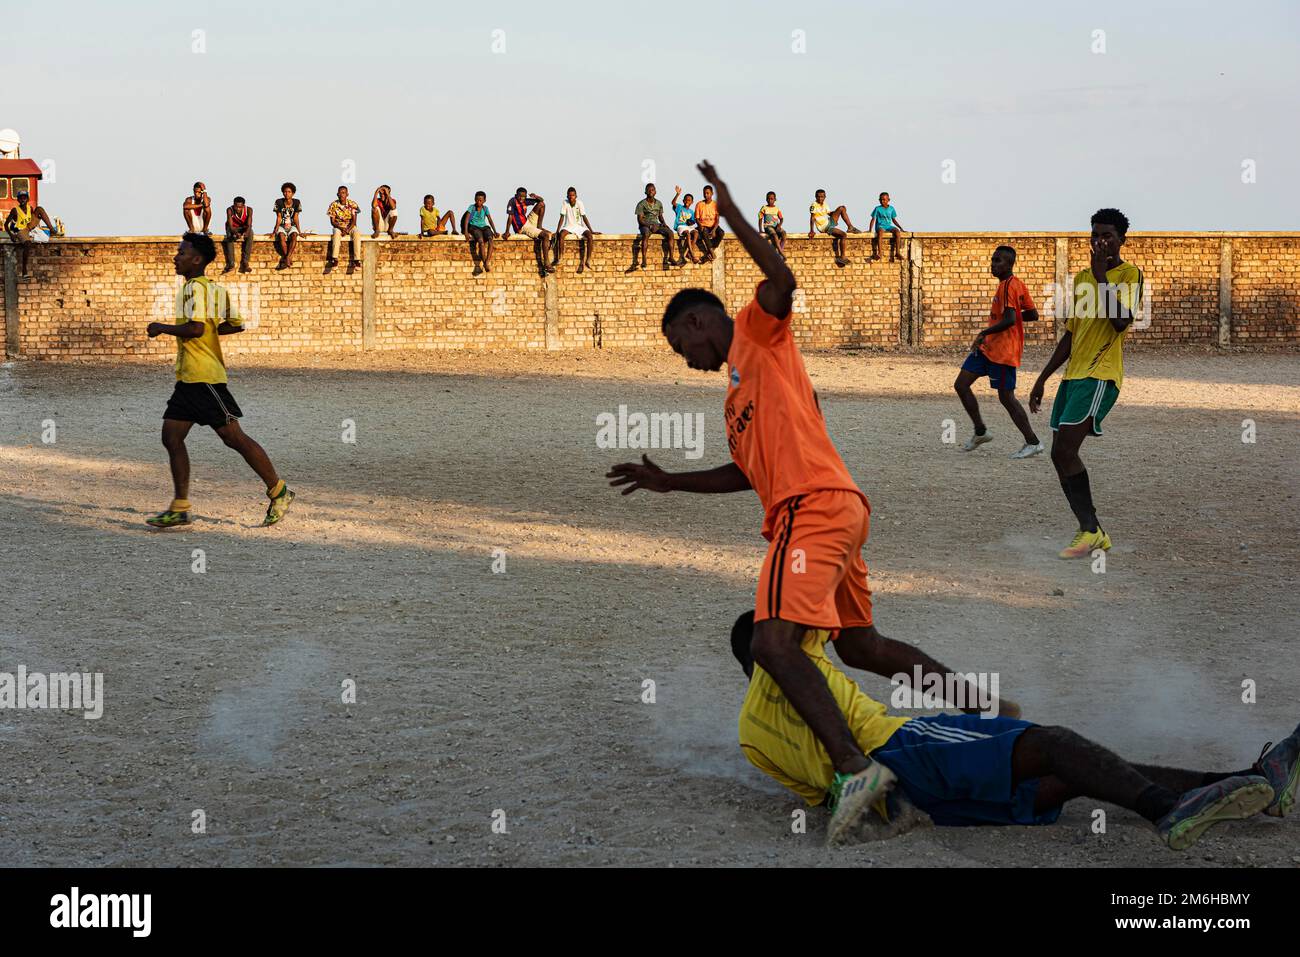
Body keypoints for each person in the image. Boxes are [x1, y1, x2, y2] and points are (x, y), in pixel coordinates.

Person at [608, 158, 943, 844]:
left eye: (683, 345)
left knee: (770, 641)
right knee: (860, 645)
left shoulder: (759, 330)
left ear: (702, 320)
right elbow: (745, 472)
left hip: (811, 510)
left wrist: (728, 209)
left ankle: (855, 767)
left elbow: (785, 279)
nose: (686, 358)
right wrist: (671, 481)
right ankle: (982, 705)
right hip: (840, 507)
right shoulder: (737, 393)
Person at [728, 610, 1299, 849]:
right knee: (1055, 743)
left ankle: (1240, 782)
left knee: (1075, 774)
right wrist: (979, 701)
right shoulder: (793, 646)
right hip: (906, 747)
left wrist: (892, 810)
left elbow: (825, 798)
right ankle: (1164, 809)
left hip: (918, 798)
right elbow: (884, 653)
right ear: (770, 643)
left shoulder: (750, 734)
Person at [144, 233, 295, 529]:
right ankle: (181, 507)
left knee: (233, 438)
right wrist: (208, 331)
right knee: (171, 437)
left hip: (204, 377)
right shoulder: (215, 289)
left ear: (196, 259)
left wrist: (161, 327)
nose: (176, 256)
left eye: (181, 252)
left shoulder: (194, 291)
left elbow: (197, 328)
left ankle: (279, 491)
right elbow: (234, 325)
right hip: (188, 378)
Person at [1028, 208, 1143, 559]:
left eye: (1107, 235)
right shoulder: (1080, 279)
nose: (1100, 241)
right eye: (1095, 235)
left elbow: (1122, 322)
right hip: (1073, 376)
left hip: (1101, 374)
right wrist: (1043, 377)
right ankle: (1090, 530)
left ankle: (1092, 530)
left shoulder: (1129, 275)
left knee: (1066, 450)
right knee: (1057, 453)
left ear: (1122, 239)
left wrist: (1102, 278)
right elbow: (1071, 334)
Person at [954, 245, 1043, 458]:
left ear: (1009, 264)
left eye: (998, 261)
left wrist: (984, 331)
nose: (993, 265)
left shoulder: (1008, 287)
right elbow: (1032, 314)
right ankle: (980, 431)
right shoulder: (1016, 285)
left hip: (1003, 351)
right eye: (993, 260)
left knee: (1006, 397)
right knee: (961, 384)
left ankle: (1033, 442)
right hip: (988, 349)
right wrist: (1006, 322)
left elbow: (1012, 319)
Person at [3, 190, 56, 278]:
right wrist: (11, 235)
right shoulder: (15, 210)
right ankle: (24, 271)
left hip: (29, 227)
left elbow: (32, 218)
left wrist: (36, 226)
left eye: (25, 197)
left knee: (39, 209)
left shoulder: (29, 208)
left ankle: (52, 230)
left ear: (27, 199)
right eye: (21, 198)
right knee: (27, 244)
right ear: (18, 200)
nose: (23, 199)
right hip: (21, 230)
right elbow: (5, 225)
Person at [501, 187, 554, 276]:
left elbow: (541, 200)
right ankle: (546, 263)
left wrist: (535, 196)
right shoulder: (513, 201)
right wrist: (507, 231)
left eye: (524, 197)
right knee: (545, 236)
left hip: (528, 221)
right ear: (516, 195)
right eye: (520, 196)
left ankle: (539, 226)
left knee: (541, 204)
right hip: (523, 227)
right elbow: (510, 217)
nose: (522, 198)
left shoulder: (524, 200)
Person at [633, 183, 681, 270]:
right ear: (646, 192)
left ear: (655, 192)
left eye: (653, 190)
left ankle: (671, 257)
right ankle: (644, 259)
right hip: (645, 225)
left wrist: (664, 223)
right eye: (649, 190)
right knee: (646, 234)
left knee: (670, 233)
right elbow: (640, 220)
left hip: (656, 224)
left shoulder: (659, 203)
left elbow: (660, 217)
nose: (651, 191)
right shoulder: (641, 204)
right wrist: (650, 226)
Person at [808, 189, 860, 267]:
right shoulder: (814, 205)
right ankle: (842, 257)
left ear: (825, 197)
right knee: (843, 235)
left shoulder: (825, 204)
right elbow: (812, 218)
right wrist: (812, 230)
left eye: (822, 197)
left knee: (842, 208)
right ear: (815, 197)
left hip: (829, 222)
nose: (820, 198)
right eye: (818, 197)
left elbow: (829, 213)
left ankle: (850, 227)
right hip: (824, 227)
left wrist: (838, 212)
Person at [552, 186, 597, 273]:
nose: (571, 197)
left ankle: (588, 260)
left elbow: (584, 217)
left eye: (572, 195)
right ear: (567, 196)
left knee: (590, 236)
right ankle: (560, 257)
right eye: (569, 196)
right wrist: (557, 230)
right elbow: (562, 217)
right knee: (561, 235)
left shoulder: (580, 203)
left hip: (579, 226)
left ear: (576, 196)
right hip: (568, 226)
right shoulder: (565, 203)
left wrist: (591, 230)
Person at [460, 191, 499, 276]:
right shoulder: (471, 207)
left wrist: (495, 231)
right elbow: (466, 220)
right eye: (477, 200)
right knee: (481, 241)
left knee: (490, 240)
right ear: (475, 199)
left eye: (481, 200)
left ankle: (487, 261)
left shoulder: (485, 208)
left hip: (484, 227)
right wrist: (466, 232)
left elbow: (490, 220)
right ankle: (485, 263)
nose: (478, 202)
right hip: (474, 227)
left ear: (484, 201)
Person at [327, 186, 362, 269]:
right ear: (337, 194)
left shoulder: (352, 204)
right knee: (336, 234)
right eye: (340, 193)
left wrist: (347, 230)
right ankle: (334, 259)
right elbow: (332, 222)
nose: (341, 195)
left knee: (357, 233)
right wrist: (341, 228)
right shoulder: (333, 205)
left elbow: (354, 221)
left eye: (343, 193)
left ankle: (357, 260)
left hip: (350, 226)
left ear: (347, 194)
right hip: (338, 226)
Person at [271, 182, 302, 269]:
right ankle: (287, 257)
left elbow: (296, 218)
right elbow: (279, 217)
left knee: (294, 236)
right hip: (282, 225)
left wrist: (300, 231)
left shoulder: (296, 202)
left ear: (293, 193)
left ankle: (287, 257)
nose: (287, 194)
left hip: (292, 225)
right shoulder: (279, 202)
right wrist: (274, 231)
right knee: (281, 236)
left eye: (289, 192)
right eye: (285, 192)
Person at [221, 196, 255, 274]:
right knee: (229, 237)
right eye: (236, 206)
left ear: (243, 206)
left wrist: (246, 232)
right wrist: (236, 234)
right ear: (234, 205)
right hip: (233, 228)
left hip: (244, 227)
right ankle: (231, 264)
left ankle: (245, 262)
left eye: (240, 207)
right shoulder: (230, 210)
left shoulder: (249, 210)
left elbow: (249, 224)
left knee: (251, 233)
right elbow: (230, 225)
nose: (238, 209)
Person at [869, 192, 904, 262]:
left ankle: (897, 252)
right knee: (880, 233)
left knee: (897, 232)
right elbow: (873, 219)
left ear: (888, 200)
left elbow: (894, 220)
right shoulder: (877, 208)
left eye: (884, 200)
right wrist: (870, 230)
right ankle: (880, 252)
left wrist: (901, 228)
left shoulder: (891, 208)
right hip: (880, 226)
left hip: (888, 226)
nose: (882, 201)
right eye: (881, 200)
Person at [694, 184, 725, 262]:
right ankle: (712, 254)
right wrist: (700, 226)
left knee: (721, 233)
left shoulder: (715, 204)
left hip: (713, 225)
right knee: (704, 232)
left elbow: (717, 219)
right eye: (704, 193)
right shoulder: (699, 204)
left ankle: (709, 253)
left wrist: (714, 230)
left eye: (708, 193)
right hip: (703, 225)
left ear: (712, 194)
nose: (706, 195)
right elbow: (697, 218)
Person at [671, 186, 701, 264]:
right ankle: (692, 255)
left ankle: (688, 253)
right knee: (687, 233)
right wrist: (677, 194)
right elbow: (673, 203)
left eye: (689, 200)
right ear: (683, 201)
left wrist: (691, 222)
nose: (687, 201)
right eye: (686, 200)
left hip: (688, 226)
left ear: (692, 202)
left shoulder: (691, 212)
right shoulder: (680, 207)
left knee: (696, 233)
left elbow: (693, 221)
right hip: (681, 226)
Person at [758, 191, 786, 258]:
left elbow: (781, 218)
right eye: (768, 199)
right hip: (768, 226)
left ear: (775, 199)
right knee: (775, 235)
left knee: (784, 234)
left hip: (776, 226)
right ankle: (781, 252)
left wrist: (779, 225)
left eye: (771, 199)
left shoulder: (777, 209)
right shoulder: (764, 208)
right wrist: (760, 229)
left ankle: (780, 249)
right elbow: (760, 218)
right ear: (766, 199)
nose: (770, 200)